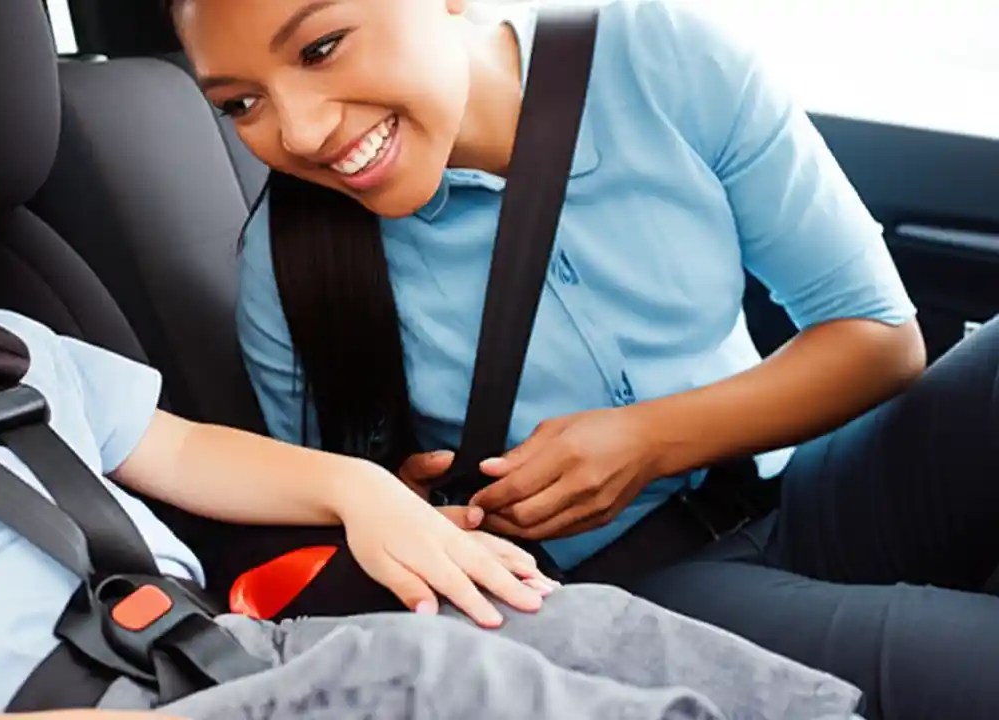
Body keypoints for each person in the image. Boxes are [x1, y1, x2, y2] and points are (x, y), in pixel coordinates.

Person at [0, 2, 872, 720]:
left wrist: (359, 490)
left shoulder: (8, 353)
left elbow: (186, 453)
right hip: (78, 705)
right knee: (451, 682)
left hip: (228, 647)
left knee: (572, 628)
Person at [167, 0, 999, 716]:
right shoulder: (294, 270)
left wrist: (646, 441)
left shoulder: (654, 50)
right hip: (639, 595)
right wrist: (413, 510)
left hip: (810, 481)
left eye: (321, 47)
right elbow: (336, 524)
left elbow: (879, 337)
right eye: (241, 103)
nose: (301, 131)